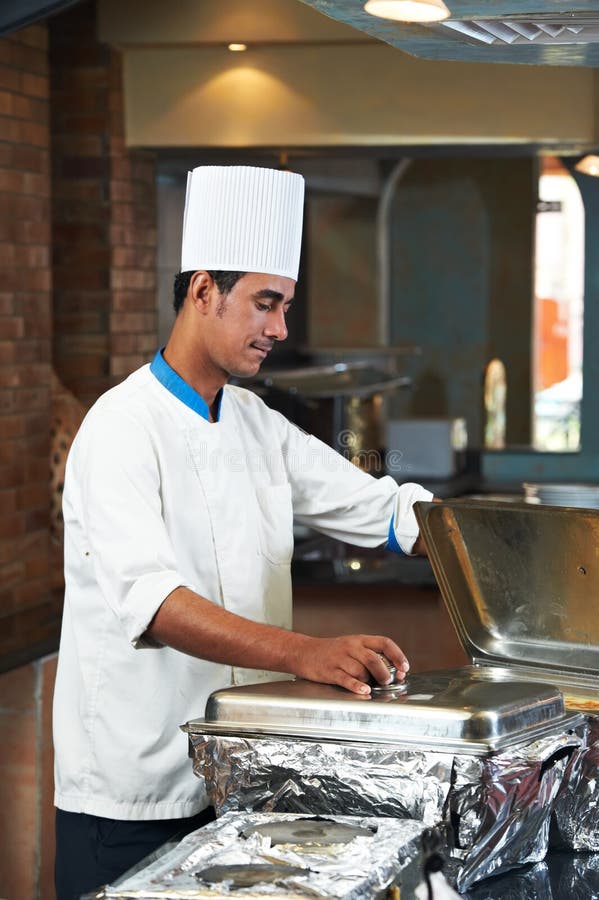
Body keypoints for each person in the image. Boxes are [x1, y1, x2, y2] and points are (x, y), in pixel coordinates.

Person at [52, 165, 433, 899]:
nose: (280, 329)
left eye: (285, 306)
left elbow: (383, 511)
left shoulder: (257, 423)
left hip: (237, 785)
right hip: (134, 799)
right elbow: (155, 604)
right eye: (266, 303)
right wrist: (306, 653)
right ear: (204, 291)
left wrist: (507, 542)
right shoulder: (121, 427)